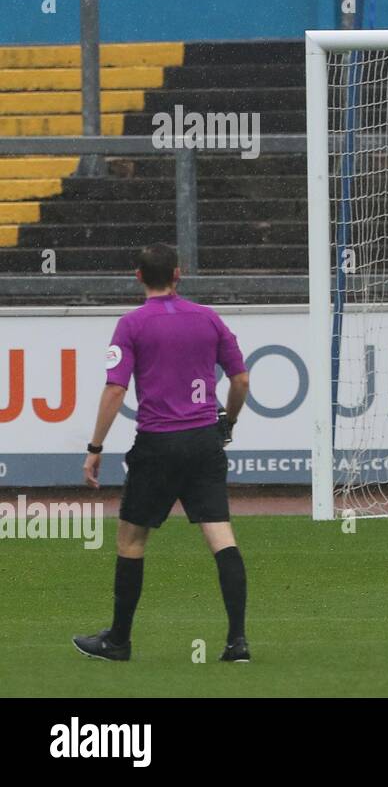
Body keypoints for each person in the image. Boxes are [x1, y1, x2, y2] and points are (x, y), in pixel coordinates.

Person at [74, 243, 251, 662]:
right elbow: (240, 379)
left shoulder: (132, 325)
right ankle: (237, 642)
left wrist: (95, 447)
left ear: (138, 276)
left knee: (132, 541)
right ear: (178, 273)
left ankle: (118, 641)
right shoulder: (207, 318)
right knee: (220, 535)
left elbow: (116, 389)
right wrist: (229, 422)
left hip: (157, 444)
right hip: (204, 441)